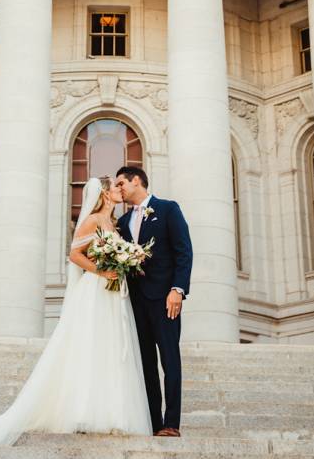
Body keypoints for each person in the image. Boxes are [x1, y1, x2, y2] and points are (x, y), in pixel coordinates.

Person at [0, 176, 151, 445]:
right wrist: (103, 271)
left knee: (110, 347)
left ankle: (114, 413)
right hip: (97, 289)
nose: (119, 190)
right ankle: (85, 411)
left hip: (112, 293)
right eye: (114, 187)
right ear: (103, 193)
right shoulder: (92, 220)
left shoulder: (113, 224)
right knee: (91, 345)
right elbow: (75, 255)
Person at [114, 165, 193, 437]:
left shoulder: (168, 209)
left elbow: (184, 252)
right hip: (136, 302)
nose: (119, 190)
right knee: (146, 363)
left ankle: (171, 423)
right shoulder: (122, 223)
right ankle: (154, 423)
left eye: (122, 183)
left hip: (165, 299)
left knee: (170, 360)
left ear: (137, 181)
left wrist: (178, 289)